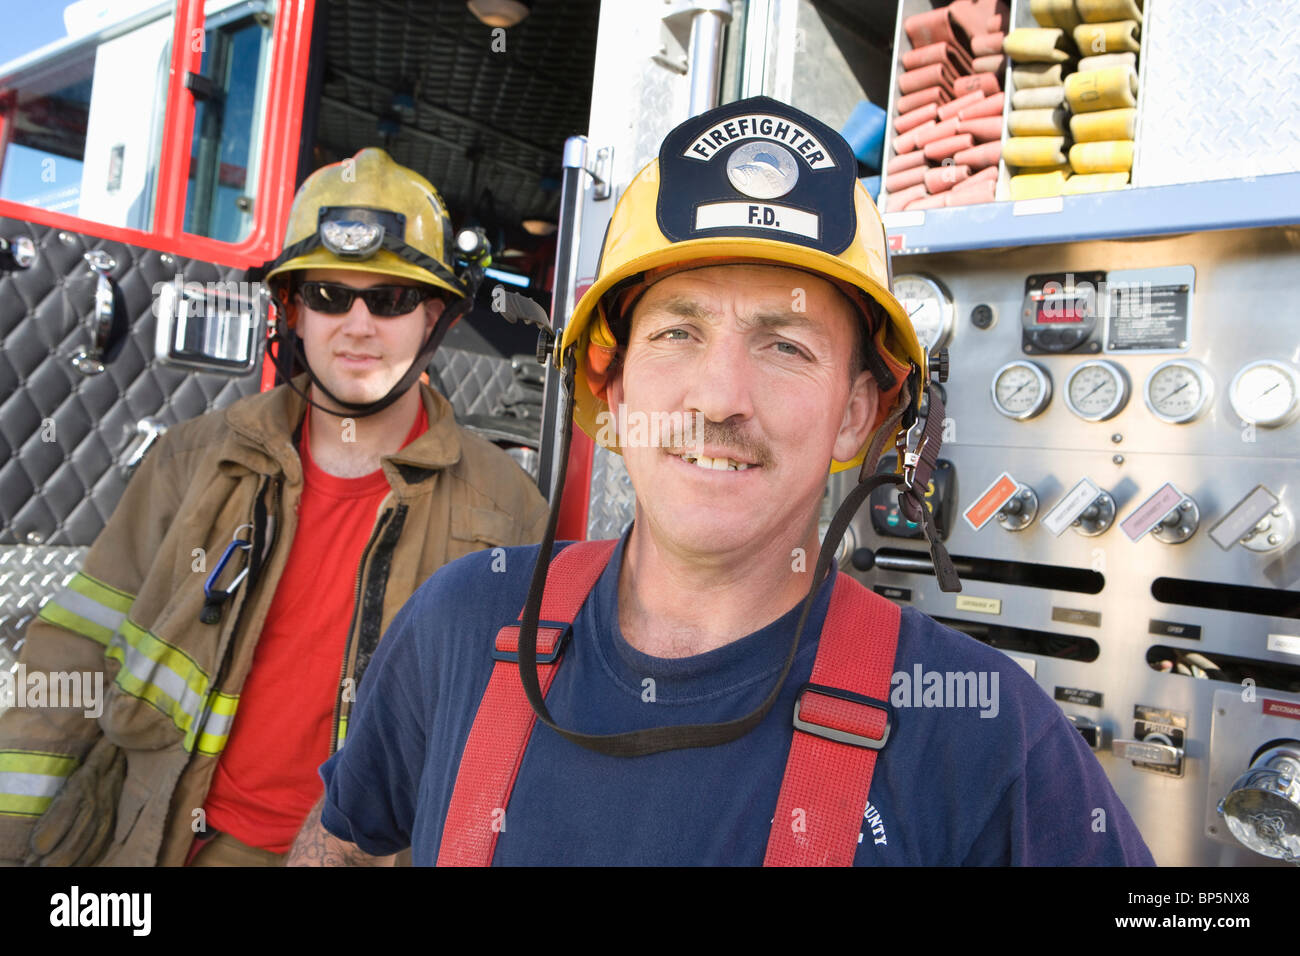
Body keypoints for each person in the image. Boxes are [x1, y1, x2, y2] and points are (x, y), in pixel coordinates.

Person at [290, 101, 1154, 866]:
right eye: (677, 333)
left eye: (786, 344)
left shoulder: (985, 733)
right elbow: (342, 840)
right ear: (615, 387)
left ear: (858, 414)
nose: (720, 399)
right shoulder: (463, 626)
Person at [0, 148, 548, 866]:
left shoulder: (508, 510)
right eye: (327, 296)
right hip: (157, 844)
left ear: (434, 318)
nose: (357, 325)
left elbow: (517, 742)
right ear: (289, 308)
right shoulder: (192, 460)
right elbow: (72, 651)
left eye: (388, 299)